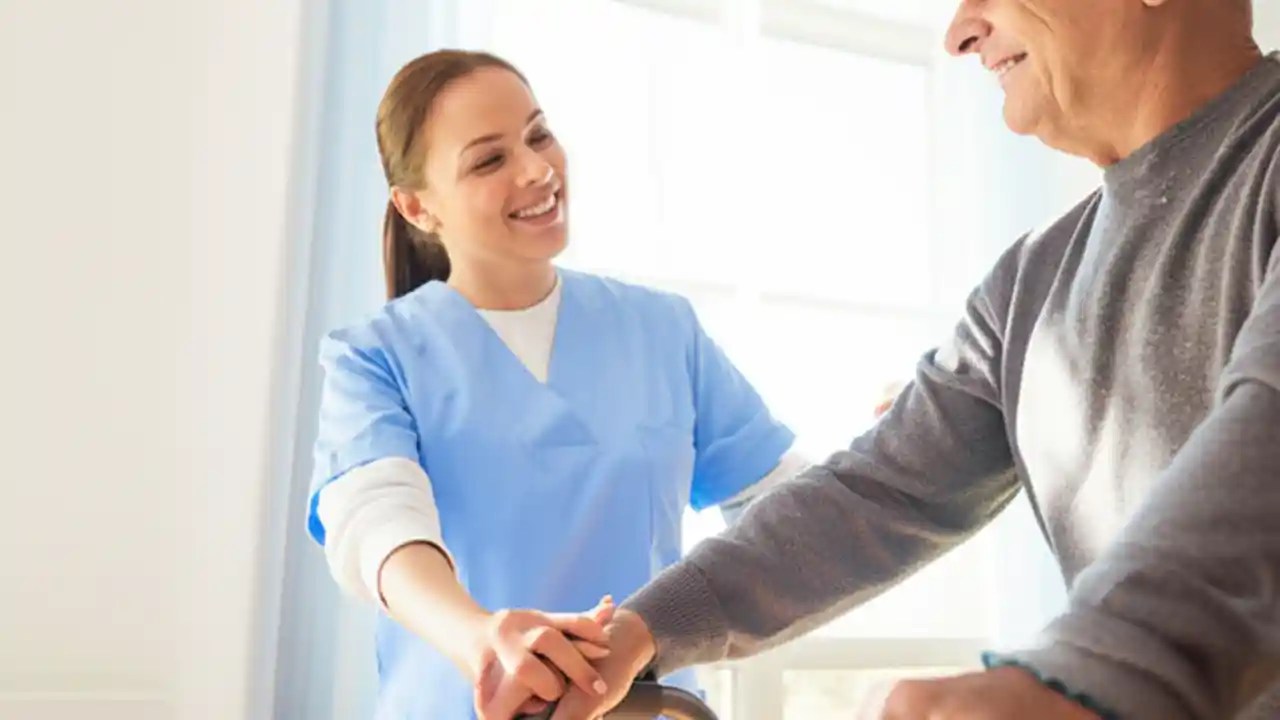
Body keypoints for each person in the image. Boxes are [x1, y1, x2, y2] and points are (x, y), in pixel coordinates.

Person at [547, 1, 1280, 719]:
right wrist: (634, 633)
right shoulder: (1028, 286)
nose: (960, 33)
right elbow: (874, 495)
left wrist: (1087, 679)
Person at [303, 49, 808, 720]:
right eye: (490, 160)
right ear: (417, 206)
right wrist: (481, 641)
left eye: (538, 135)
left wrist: (902, 438)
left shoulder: (664, 331)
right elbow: (375, 523)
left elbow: (792, 512)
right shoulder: (375, 356)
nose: (537, 170)